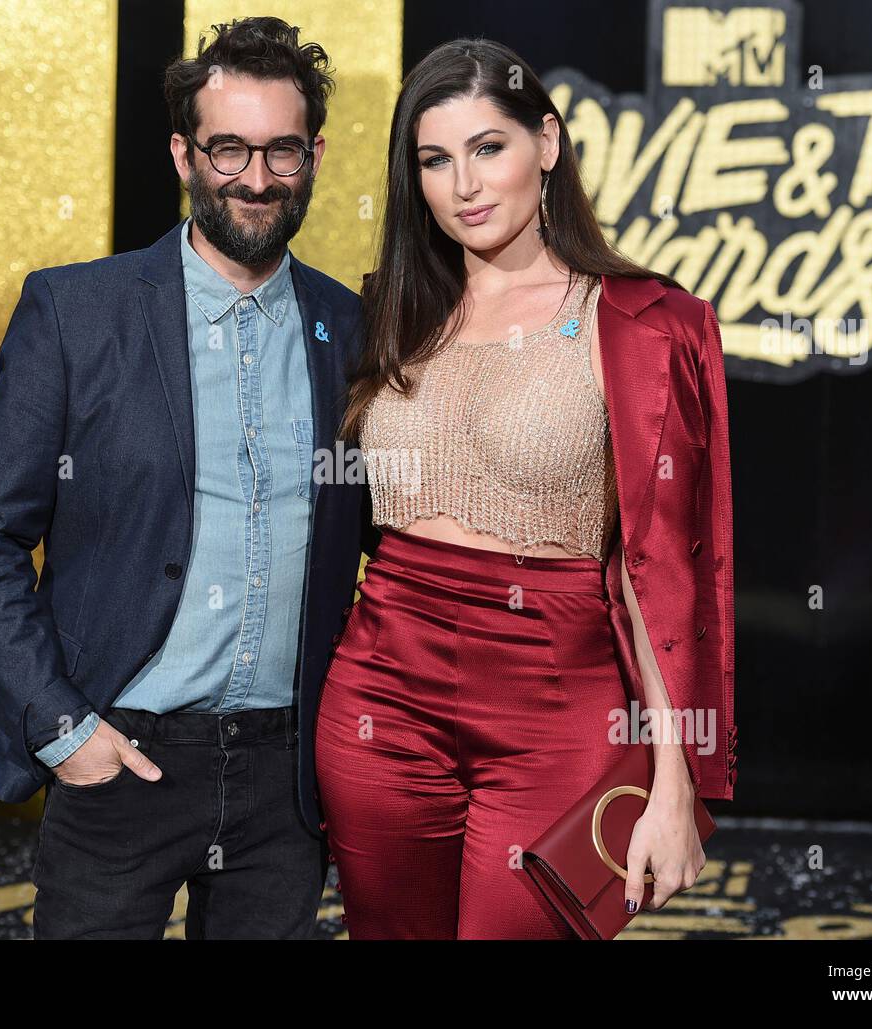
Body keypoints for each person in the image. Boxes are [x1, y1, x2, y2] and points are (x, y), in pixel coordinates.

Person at [0, 16, 368, 939]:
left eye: (282, 150)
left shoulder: (354, 325)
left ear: (316, 155)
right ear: (184, 154)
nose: (256, 177)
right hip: (118, 754)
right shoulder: (77, 311)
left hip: (287, 782)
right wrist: (65, 730)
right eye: (228, 148)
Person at [313, 38, 737, 939]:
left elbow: (663, 573)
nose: (463, 183)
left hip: (554, 709)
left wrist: (675, 778)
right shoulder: (390, 311)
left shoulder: (642, 323)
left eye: (488, 147)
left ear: (547, 143)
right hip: (380, 699)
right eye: (434, 159)